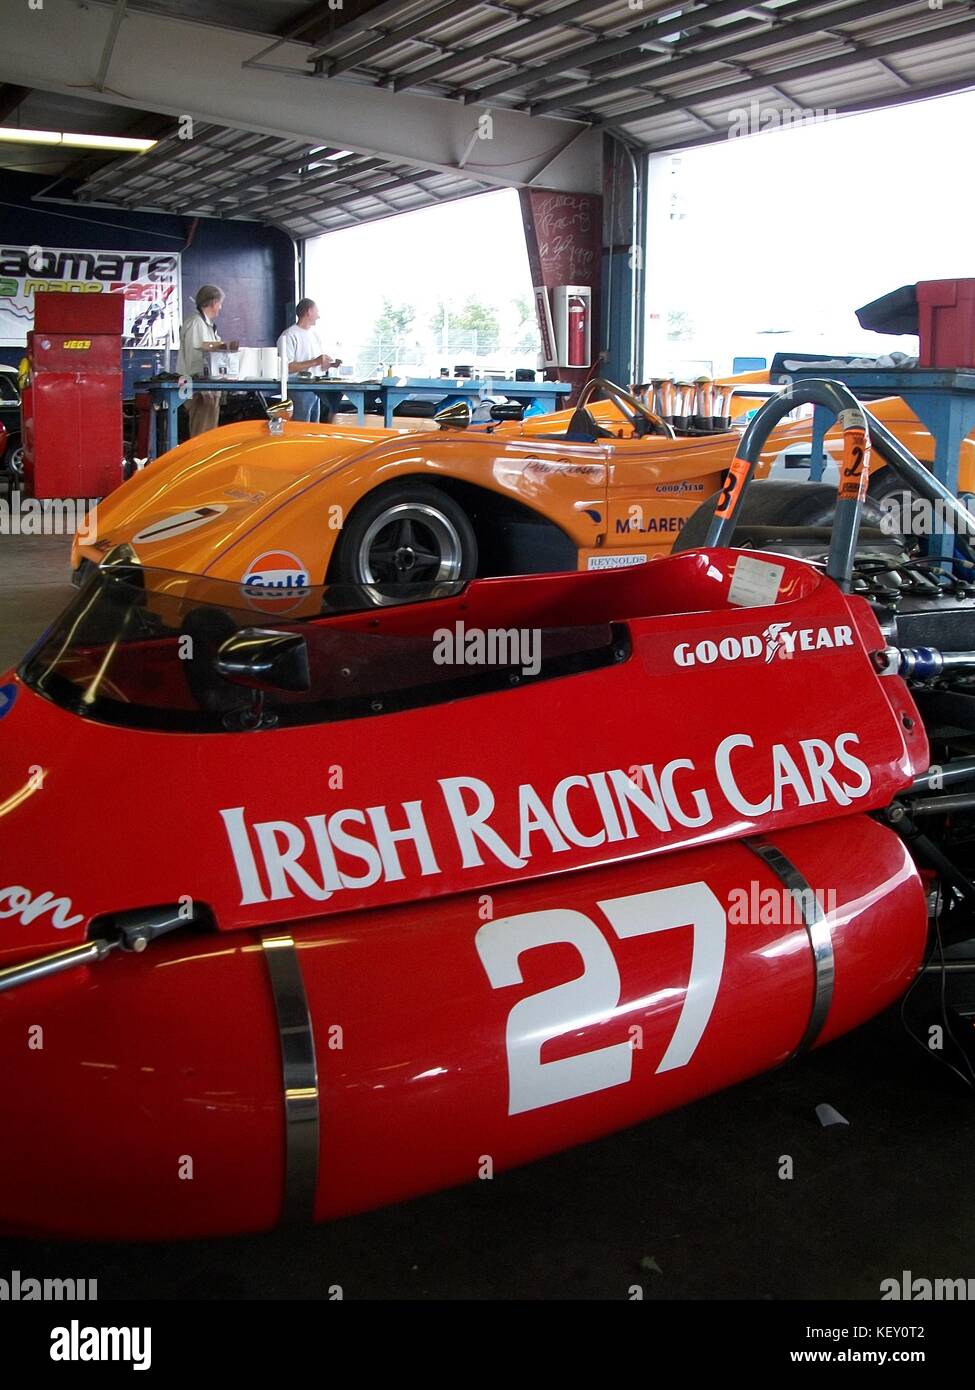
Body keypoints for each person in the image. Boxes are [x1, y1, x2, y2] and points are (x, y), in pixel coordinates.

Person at [177, 285, 236, 437]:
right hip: (199, 390)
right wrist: (204, 389)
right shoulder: (196, 324)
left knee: (208, 434)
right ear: (213, 302)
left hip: (208, 388)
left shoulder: (206, 325)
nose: (220, 307)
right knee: (201, 435)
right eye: (219, 303)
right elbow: (194, 359)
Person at [276, 298, 340, 423]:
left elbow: (317, 364)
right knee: (301, 425)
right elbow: (285, 367)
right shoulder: (289, 335)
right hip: (298, 388)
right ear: (309, 311)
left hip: (316, 387)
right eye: (317, 312)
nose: (319, 316)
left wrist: (329, 364)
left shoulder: (315, 335)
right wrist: (315, 361)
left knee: (313, 426)